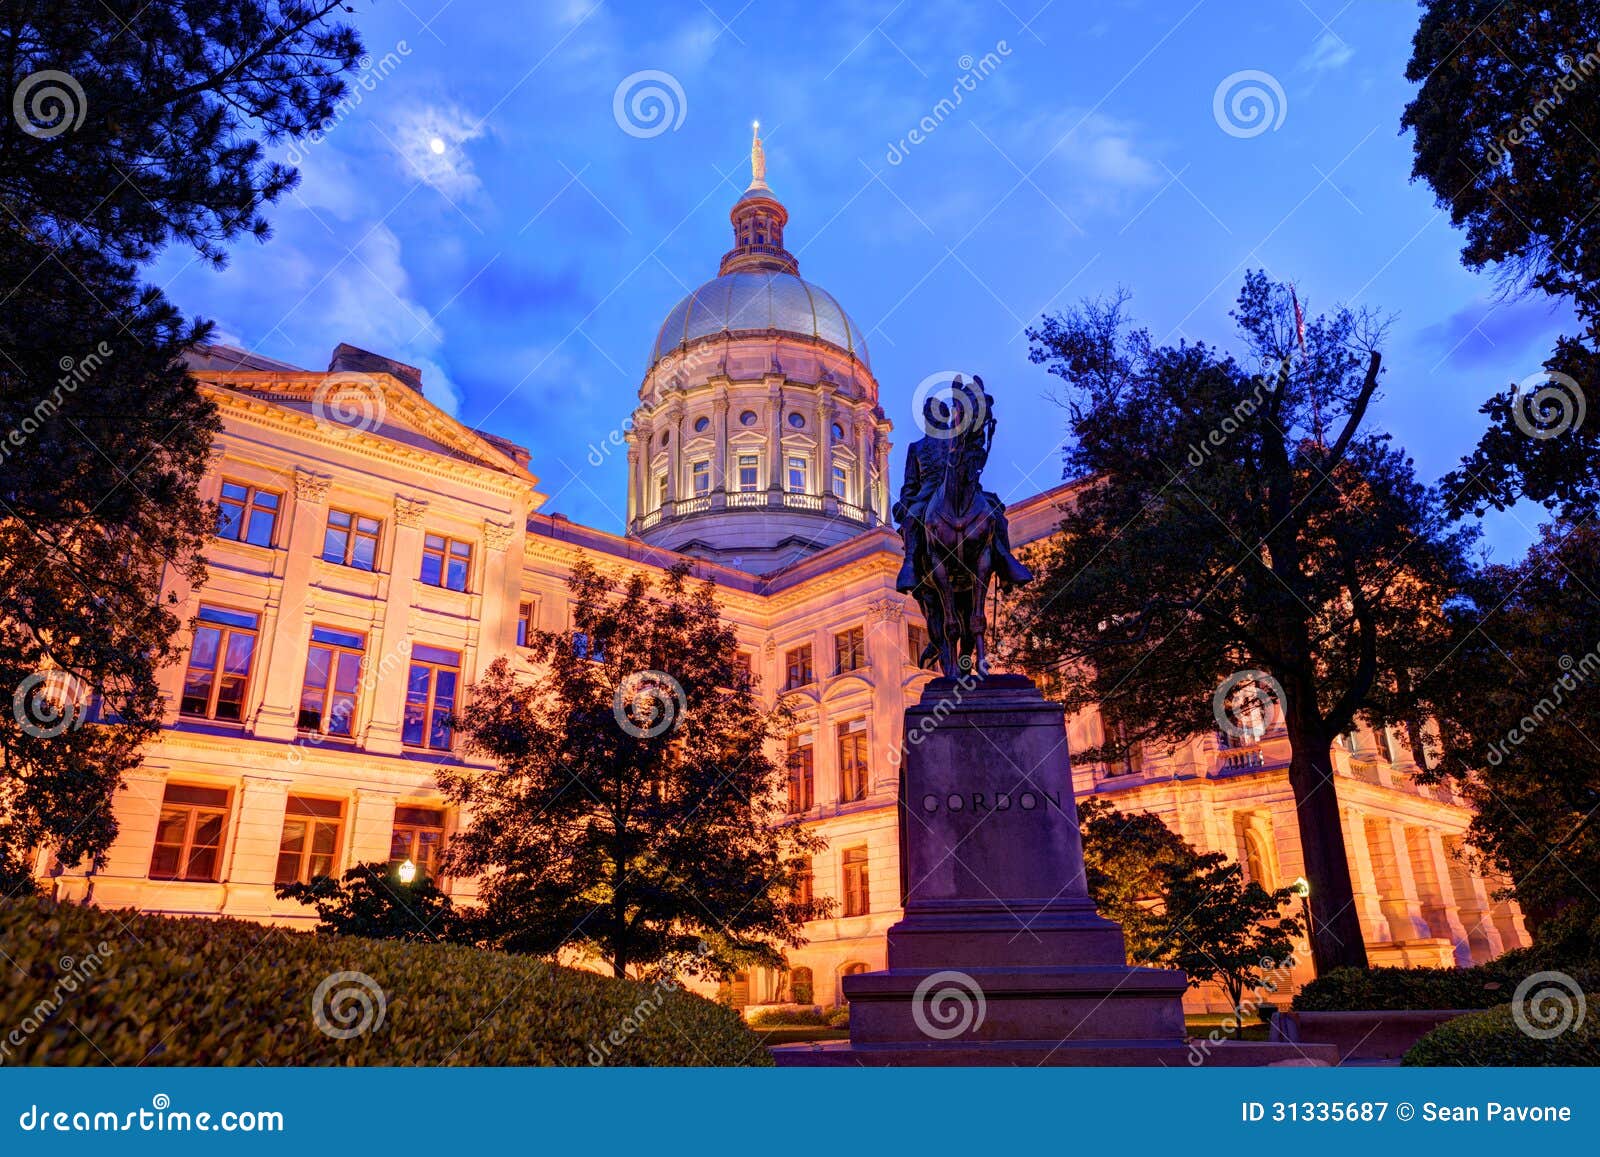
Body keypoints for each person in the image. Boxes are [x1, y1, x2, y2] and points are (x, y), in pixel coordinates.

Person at [893, 375, 1033, 595]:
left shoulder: (956, 438)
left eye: (936, 411)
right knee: (913, 517)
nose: (932, 416)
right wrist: (906, 501)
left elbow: (975, 459)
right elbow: (910, 483)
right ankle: (910, 564)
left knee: (995, 513)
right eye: (928, 412)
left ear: (945, 414)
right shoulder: (916, 447)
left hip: (963, 485)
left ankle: (1005, 560)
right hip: (928, 491)